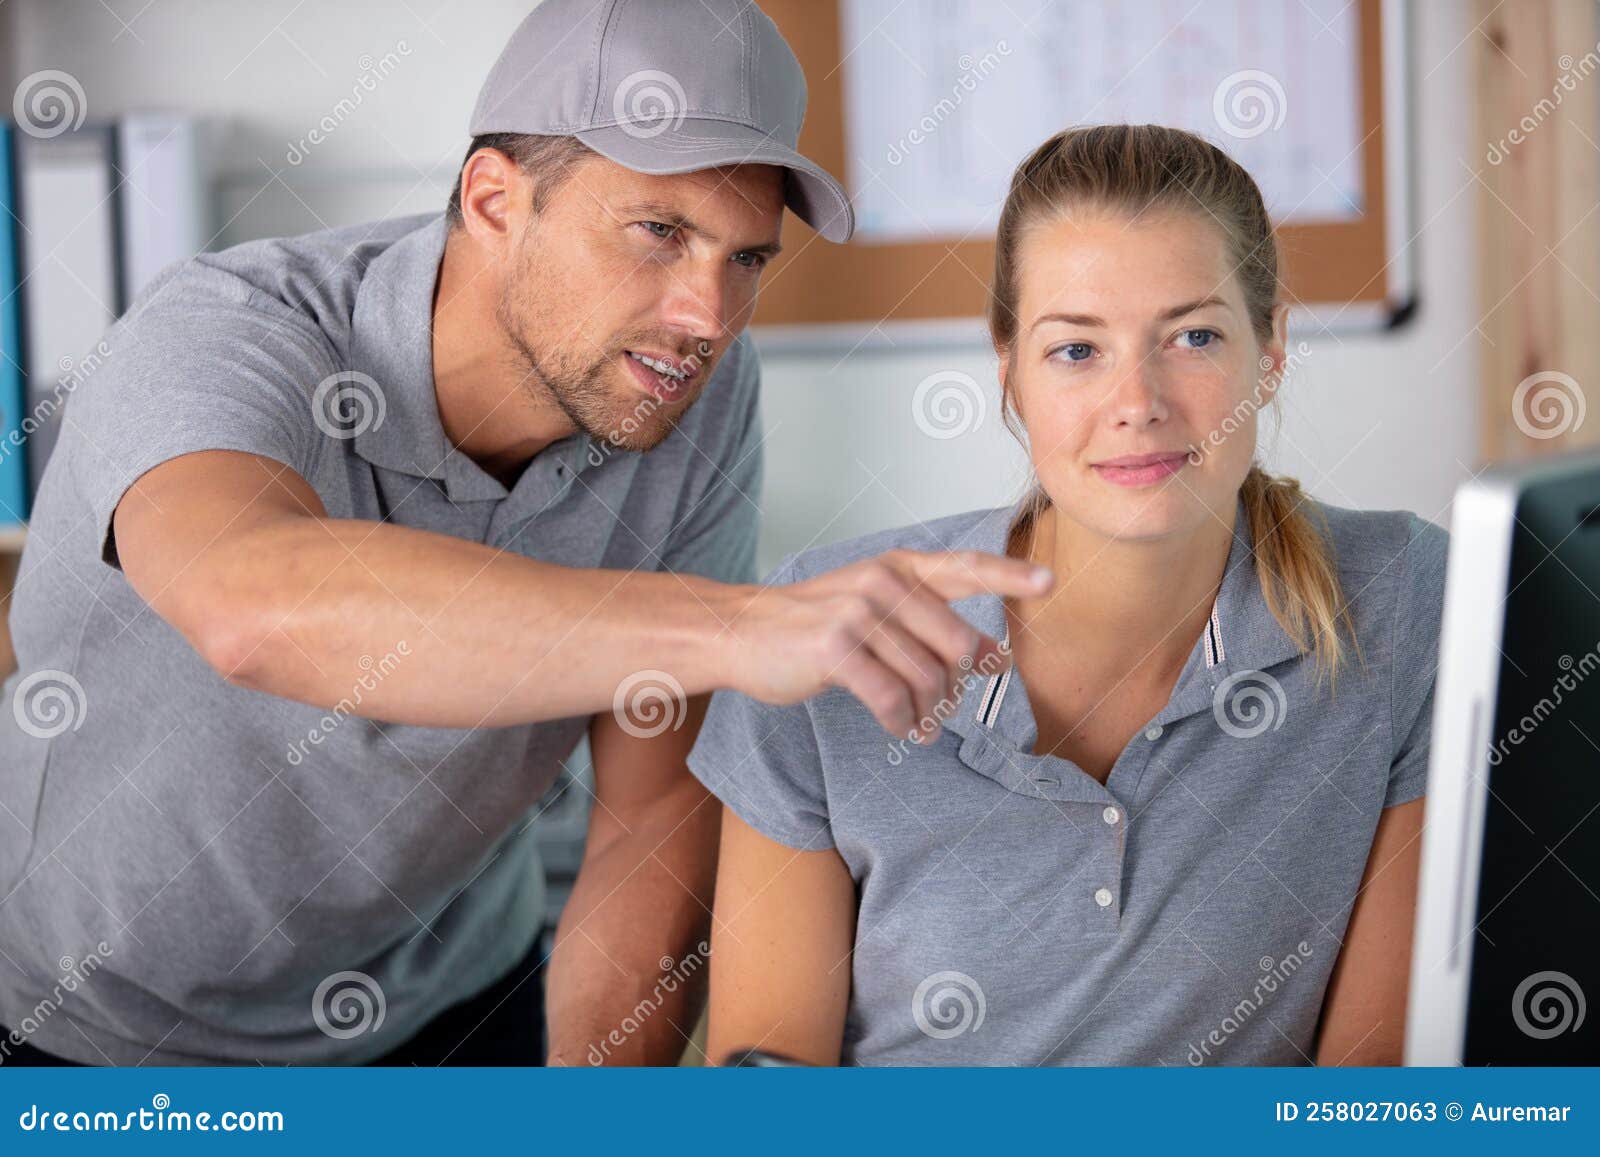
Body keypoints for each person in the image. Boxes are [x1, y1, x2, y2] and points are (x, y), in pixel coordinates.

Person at [0, 0, 1051, 1068]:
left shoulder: (690, 391)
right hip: (84, 1025)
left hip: (451, 1000)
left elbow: (652, 815)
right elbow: (253, 605)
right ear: (494, 199)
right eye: (660, 233)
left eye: (745, 258)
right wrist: (739, 627)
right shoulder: (224, 332)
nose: (708, 316)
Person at [686, 124, 1449, 1067]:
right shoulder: (822, 627)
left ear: (1272, 348)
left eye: (1195, 336)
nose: (1138, 401)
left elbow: (1370, 1100)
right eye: (1077, 350)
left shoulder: (1402, 599)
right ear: (1008, 368)